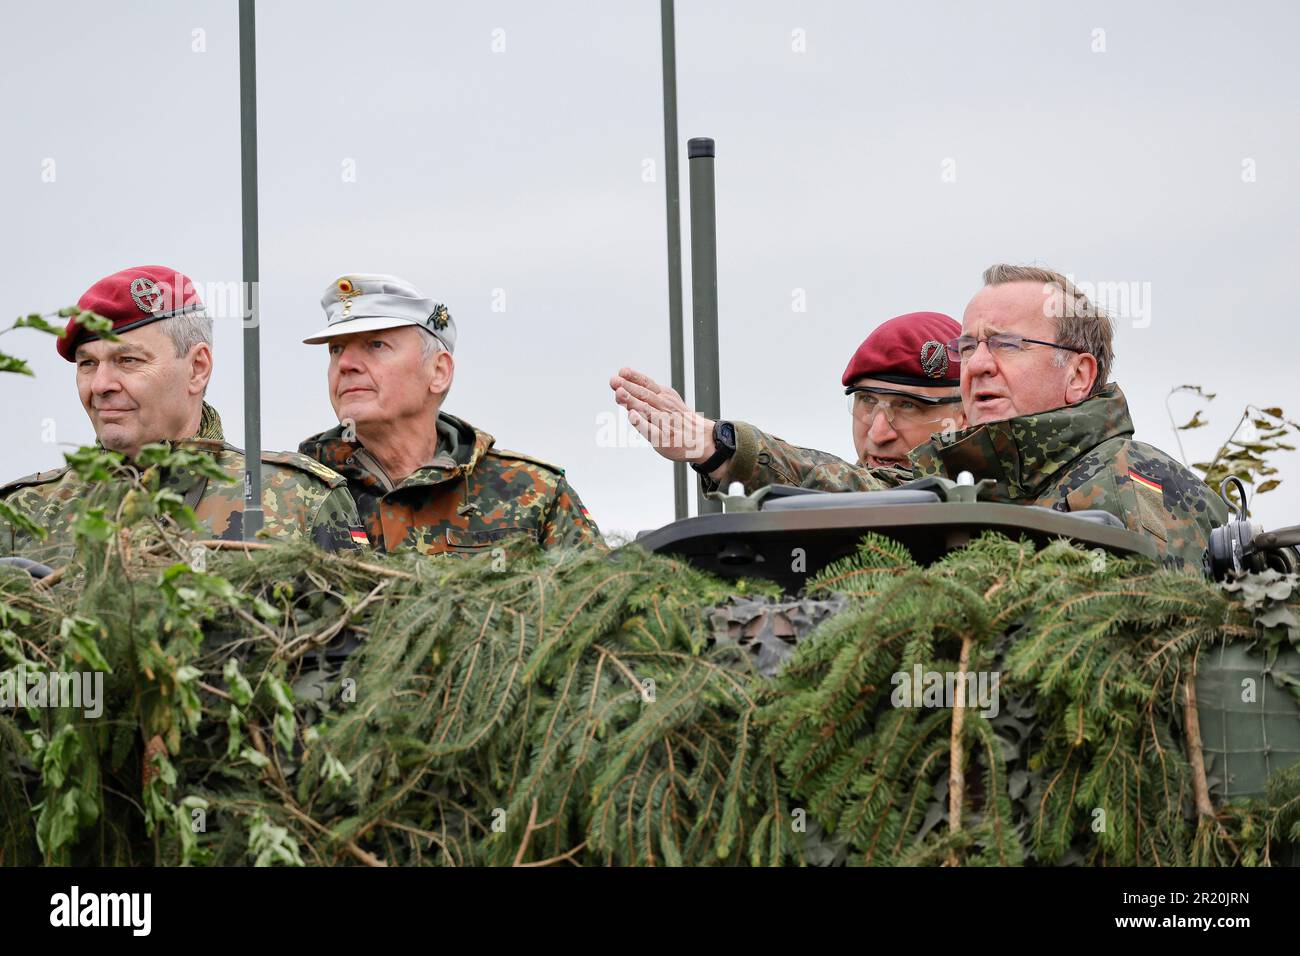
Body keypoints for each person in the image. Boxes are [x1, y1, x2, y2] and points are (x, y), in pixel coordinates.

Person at [614, 265, 1227, 572]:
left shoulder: (1140, 485)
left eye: (1006, 345)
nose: (979, 366)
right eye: (969, 347)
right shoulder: (980, 478)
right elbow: (861, 491)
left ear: (1079, 376)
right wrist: (720, 447)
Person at [0, 265, 368, 565]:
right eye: (87, 364)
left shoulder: (297, 500)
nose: (101, 384)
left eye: (127, 360)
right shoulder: (23, 516)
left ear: (197, 368)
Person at [298, 274, 604, 556]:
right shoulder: (293, 493)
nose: (346, 363)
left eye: (376, 345)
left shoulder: (533, 493)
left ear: (439, 371)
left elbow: (607, 601)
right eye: (336, 349)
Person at [610, 311, 964, 491]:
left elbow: (875, 495)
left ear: (964, 417)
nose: (879, 431)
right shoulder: (829, 502)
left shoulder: (988, 493)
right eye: (867, 402)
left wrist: (722, 447)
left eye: (908, 406)